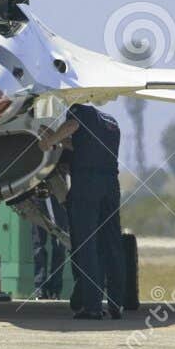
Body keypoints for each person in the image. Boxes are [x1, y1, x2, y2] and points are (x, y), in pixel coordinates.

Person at [39, 103, 125, 319]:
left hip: (87, 184)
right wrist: (57, 139)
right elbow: (82, 144)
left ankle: (92, 306)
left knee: (86, 245)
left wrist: (49, 140)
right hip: (111, 184)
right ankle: (117, 304)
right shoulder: (110, 122)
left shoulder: (79, 111)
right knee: (112, 244)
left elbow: (72, 125)